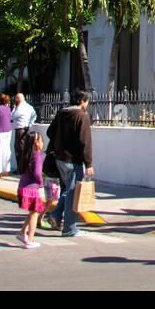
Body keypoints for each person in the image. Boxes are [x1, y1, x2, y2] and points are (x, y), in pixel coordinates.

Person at [44, 90, 93, 237]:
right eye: (87, 102)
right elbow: (85, 142)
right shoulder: (81, 116)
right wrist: (89, 163)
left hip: (59, 158)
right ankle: (69, 228)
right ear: (82, 101)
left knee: (66, 191)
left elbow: (50, 132)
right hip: (73, 160)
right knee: (72, 194)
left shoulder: (61, 113)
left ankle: (56, 215)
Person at [17, 131, 45, 248]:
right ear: (37, 142)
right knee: (34, 214)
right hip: (31, 189)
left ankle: (23, 232)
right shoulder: (37, 155)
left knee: (31, 212)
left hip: (22, 186)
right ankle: (30, 239)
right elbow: (37, 173)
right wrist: (41, 181)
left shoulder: (27, 153)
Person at [11, 92, 37, 174]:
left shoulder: (19, 107)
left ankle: (20, 169)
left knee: (19, 149)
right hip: (27, 129)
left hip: (20, 130)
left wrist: (14, 109)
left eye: (16, 98)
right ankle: (24, 168)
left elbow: (12, 116)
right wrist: (30, 124)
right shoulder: (29, 107)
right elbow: (34, 115)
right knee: (26, 149)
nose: (15, 100)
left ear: (18, 99)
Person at [0, 92, 14, 176]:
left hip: (0, 131)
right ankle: (6, 169)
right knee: (6, 149)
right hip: (8, 130)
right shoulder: (8, 108)